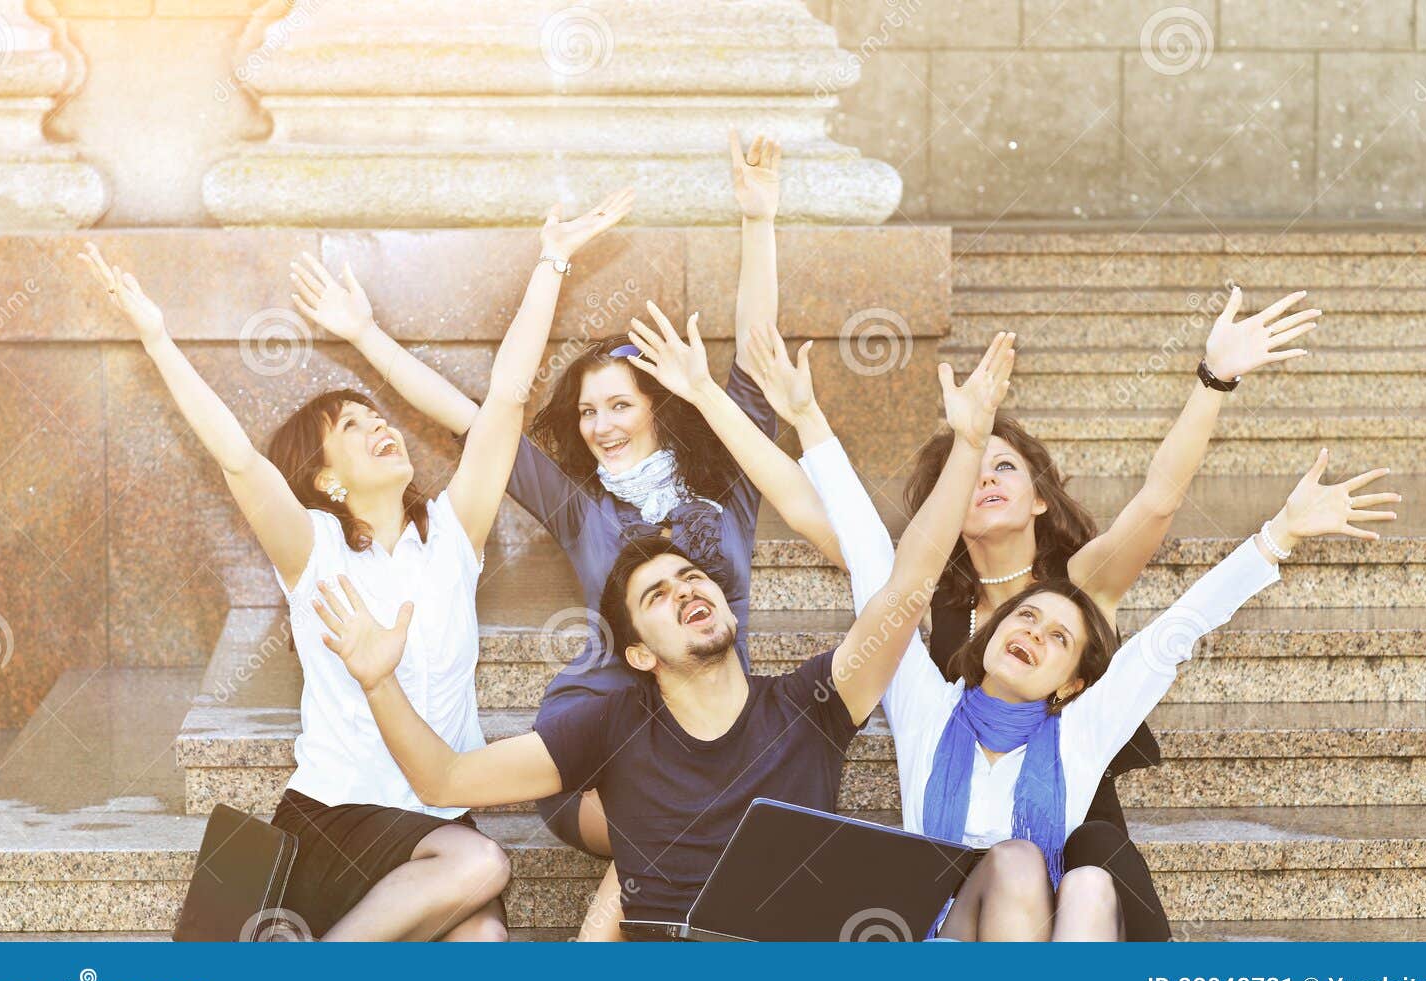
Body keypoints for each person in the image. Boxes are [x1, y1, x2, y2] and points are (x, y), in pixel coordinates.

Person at [288, 134, 843, 937]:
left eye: (618, 405)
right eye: (586, 412)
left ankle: (609, 932)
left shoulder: (729, 485)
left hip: (718, 724)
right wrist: (365, 333)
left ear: (658, 403)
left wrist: (759, 221)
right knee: (698, 805)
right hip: (599, 743)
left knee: (738, 799)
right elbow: (475, 419)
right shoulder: (580, 506)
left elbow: (757, 357)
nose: (599, 425)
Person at [304, 337, 1012, 934]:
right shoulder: (609, 730)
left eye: (693, 577)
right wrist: (378, 682)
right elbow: (444, 779)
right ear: (637, 652)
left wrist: (970, 445)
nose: (686, 589)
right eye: (657, 595)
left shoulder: (811, 705)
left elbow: (907, 584)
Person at [77, 191, 631, 941]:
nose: (380, 428)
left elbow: (504, 402)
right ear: (325, 477)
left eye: (379, 417)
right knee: (483, 866)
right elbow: (238, 460)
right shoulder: (312, 548)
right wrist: (157, 339)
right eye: (352, 426)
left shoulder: (453, 537)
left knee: (487, 942)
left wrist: (551, 262)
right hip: (337, 818)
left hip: (439, 817)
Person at [743, 326, 1400, 940]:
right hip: (947, 941)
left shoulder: (1081, 726)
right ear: (987, 636)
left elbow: (1178, 620)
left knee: (1086, 882)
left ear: (1074, 684)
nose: (1035, 632)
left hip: (1051, 914)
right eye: (1026, 617)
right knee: (1017, 861)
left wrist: (1278, 533)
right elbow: (869, 562)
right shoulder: (926, 703)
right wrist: (806, 418)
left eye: (1059, 638)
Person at [896, 287, 1319, 938]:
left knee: (1091, 862)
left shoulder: (1080, 586)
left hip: (1067, 811)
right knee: (1021, 865)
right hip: (954, 863)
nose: (986, 478)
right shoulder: (924, 610)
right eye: (969, 471)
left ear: (1040, 498)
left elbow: (1157, 504)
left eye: (1004, 466)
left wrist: (1214, 380)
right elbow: (838, 530)